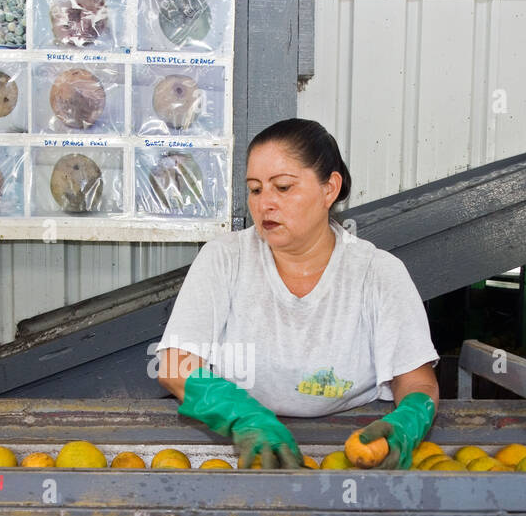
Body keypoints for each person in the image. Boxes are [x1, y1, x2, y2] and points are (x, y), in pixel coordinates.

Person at [154, 118, 440, 468]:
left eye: (283, 187)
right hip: (242, 448)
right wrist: (243, 416)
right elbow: (175, 366)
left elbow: (418, 382)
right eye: (256, 190)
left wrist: (408, 420)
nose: (265, 204)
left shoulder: (377, 272)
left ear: (329, 189)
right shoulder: (225, 258)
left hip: (352, 451)